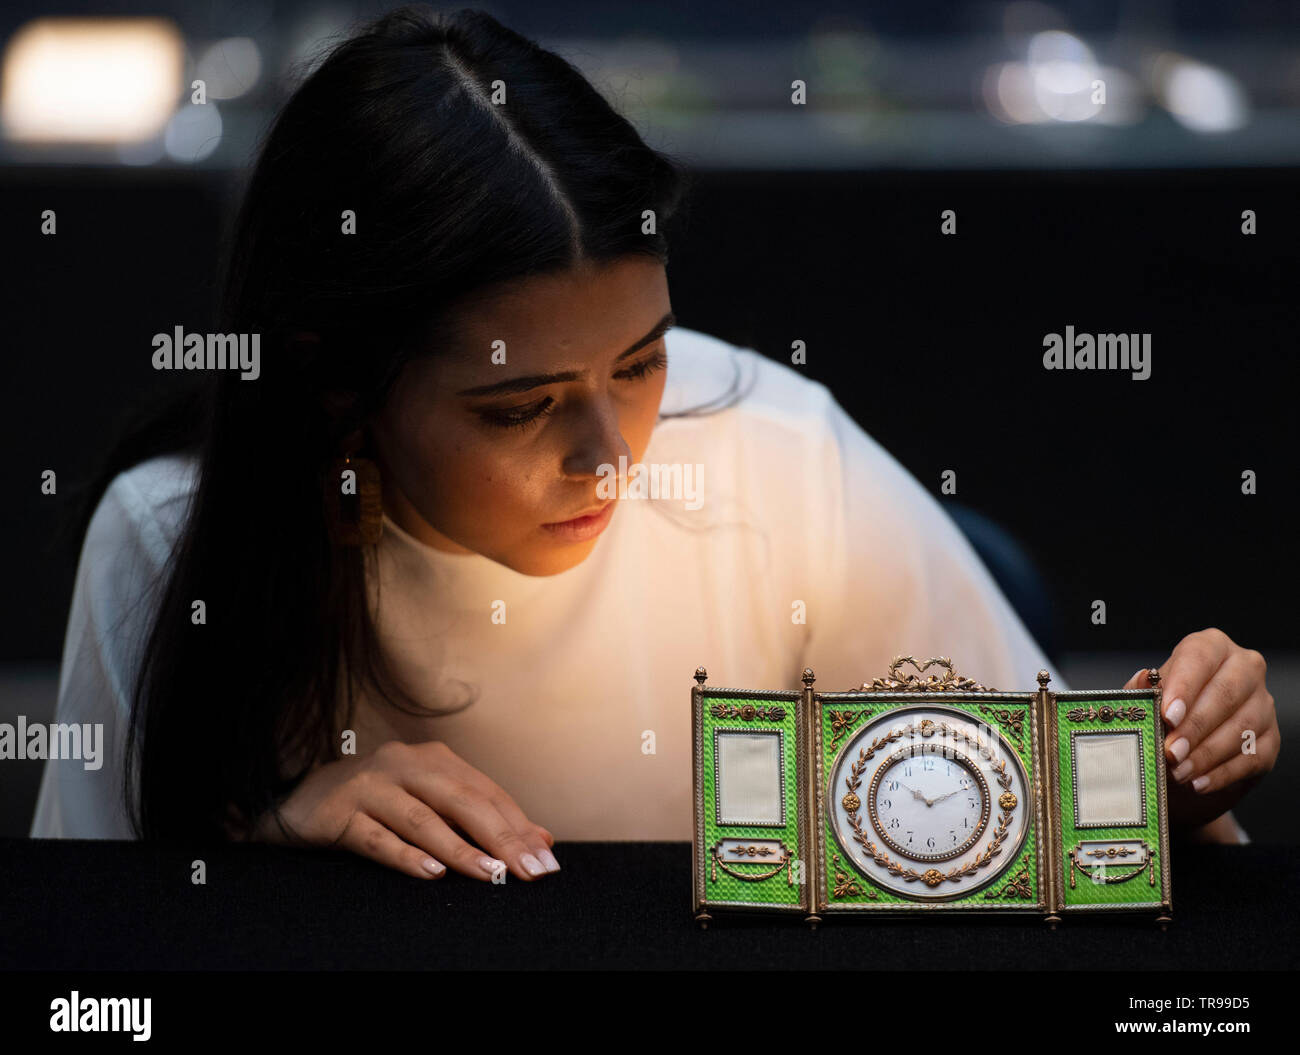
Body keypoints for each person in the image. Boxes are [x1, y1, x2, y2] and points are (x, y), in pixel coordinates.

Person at [31, 6, 1276, 880]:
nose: (610, 455)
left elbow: (1063, 821)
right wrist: (259, 852)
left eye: (639, 364)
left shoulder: (771, 456)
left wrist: (1171, 772)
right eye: (517, 406)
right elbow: (77, 969)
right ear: (334, 387)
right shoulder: (164, 540)